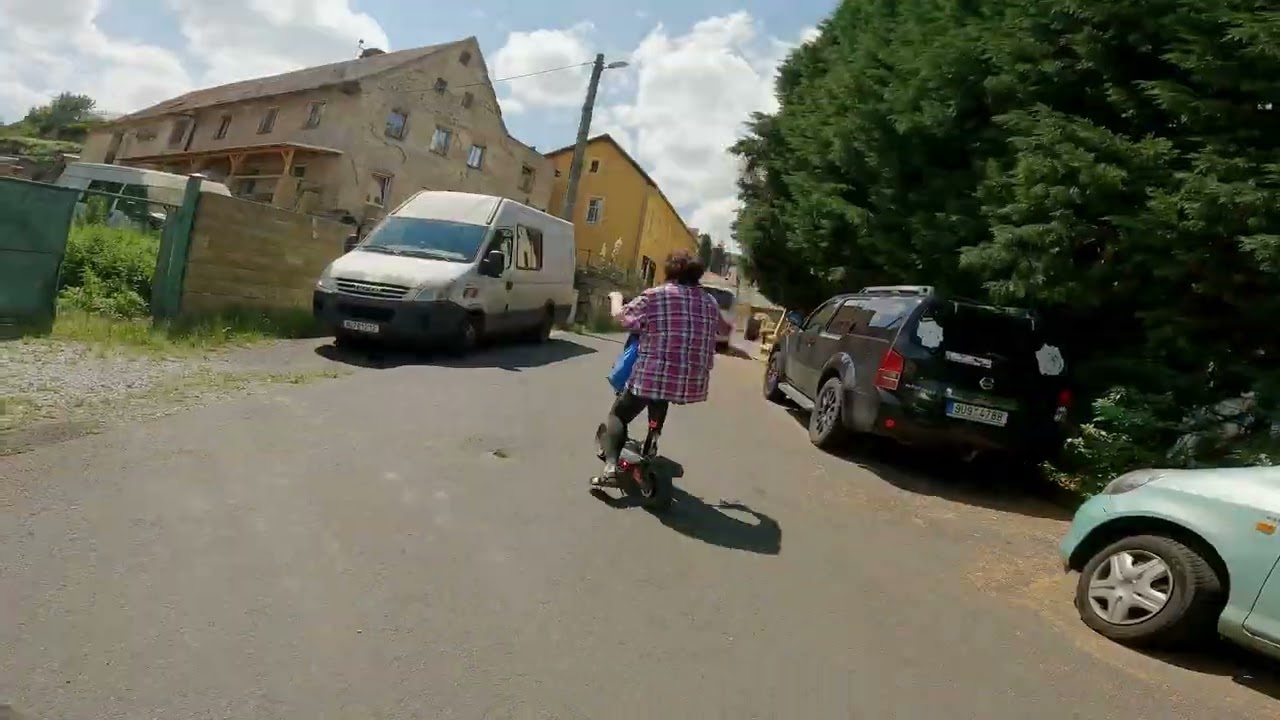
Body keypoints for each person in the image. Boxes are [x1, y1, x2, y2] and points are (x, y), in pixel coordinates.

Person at [593, 249, 732, 487]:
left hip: (651, 376)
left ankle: (610, 468)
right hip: (689, 383)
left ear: (669, 272)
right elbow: (725, 331)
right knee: (661, 394)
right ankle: (652, 440)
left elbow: (621, 318)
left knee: (618, 415)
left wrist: (616, 298)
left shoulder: (656, 295)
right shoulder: (709, 301)